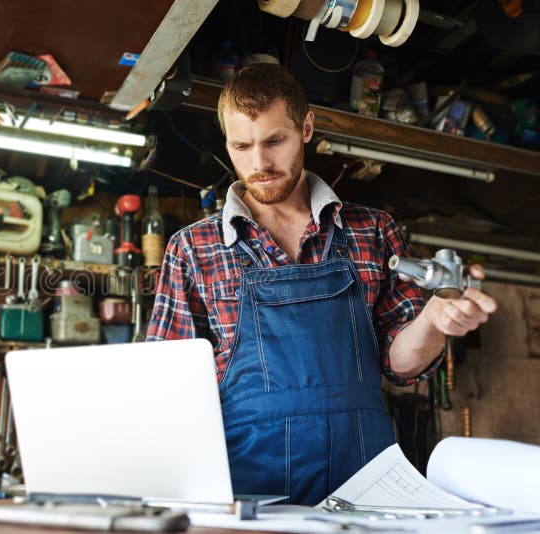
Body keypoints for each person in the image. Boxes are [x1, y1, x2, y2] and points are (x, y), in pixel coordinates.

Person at [146, 63, 497, 505]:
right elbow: (165, 390)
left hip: (367, 486)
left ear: (306, 127)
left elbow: (401, 365)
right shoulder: (193, 248)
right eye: (242, 146)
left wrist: (433, 320)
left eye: (275, 141)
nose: (259, 163)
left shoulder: (372, 231)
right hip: (248, 494)